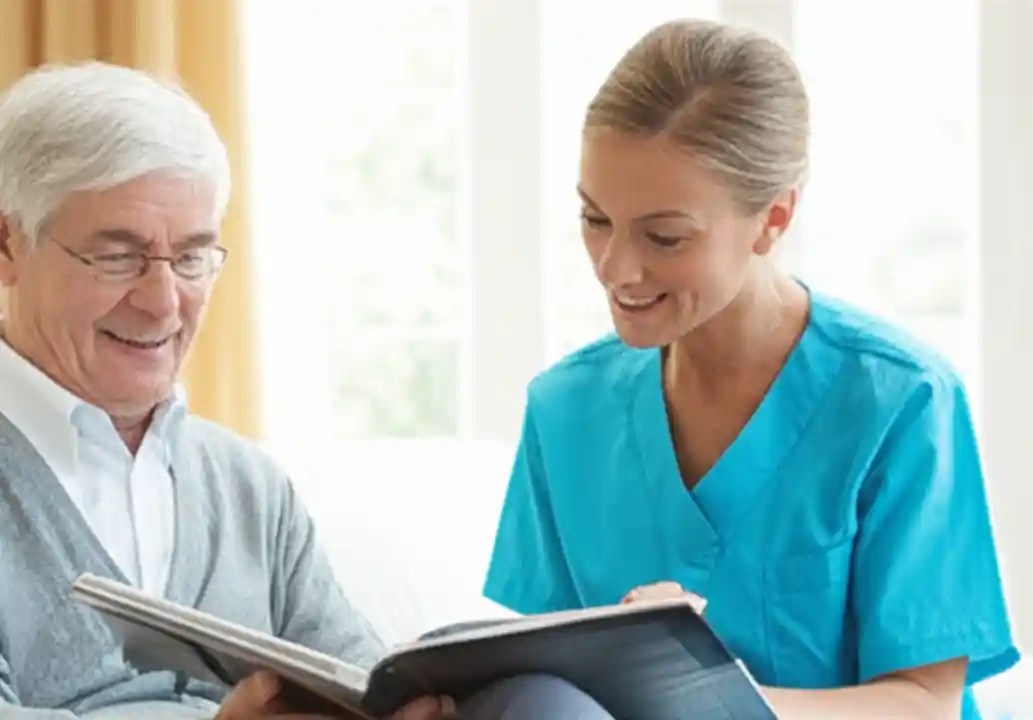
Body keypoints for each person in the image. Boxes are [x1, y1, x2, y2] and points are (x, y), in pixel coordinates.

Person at [0, 62, 612, 720]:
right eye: (117, 255)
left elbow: (361, 677)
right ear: (8, 247)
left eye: (191, 257)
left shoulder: (249, 489)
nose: (162, 301)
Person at [483, 19, 1020, 719]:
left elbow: (925, 702)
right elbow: (542, 679)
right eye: (595, 219)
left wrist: (712, 697)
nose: (615, 267)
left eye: (664, 235)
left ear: (772, 219)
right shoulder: (565, 411)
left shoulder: (901, 402)